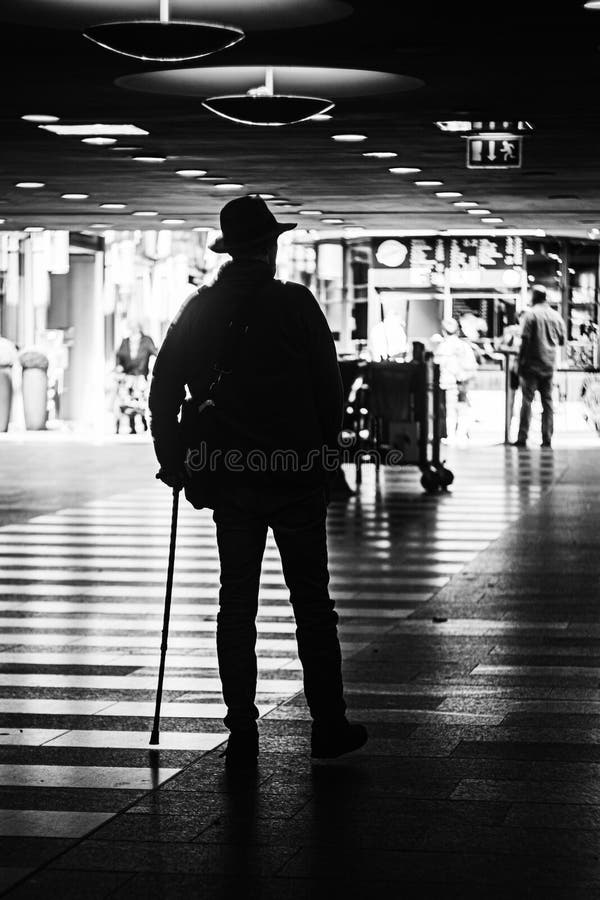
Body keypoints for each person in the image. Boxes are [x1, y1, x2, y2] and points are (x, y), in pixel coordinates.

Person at [149, 195, 367, 768]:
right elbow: (329, 387)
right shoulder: (297, 305)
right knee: (313, 606)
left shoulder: (198, 308)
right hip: (294, 477)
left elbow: (163, 387)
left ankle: (242, 726)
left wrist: (173, 458)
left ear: (228, 250)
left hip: (231, 481)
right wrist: (325, 458)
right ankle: (328, 724)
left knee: (236, 602)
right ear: (270, 248)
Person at [514, 285, 566, 449]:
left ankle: (522, 437)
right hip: (549, 366)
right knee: (548, 402)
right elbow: (563, 341)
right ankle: (547, 438)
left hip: (531, 365)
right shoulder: (556, 316)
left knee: (527, 401)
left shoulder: (530, 315)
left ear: (534, 297)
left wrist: (520, 363)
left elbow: (525, 341)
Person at [115, 321, 157, 433]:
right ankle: (132, 425)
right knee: (127, 401)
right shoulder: (125, 341)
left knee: (139, 402)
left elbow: (155, 352)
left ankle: (143, 424)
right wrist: (119, 367)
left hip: (140, 376)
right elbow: (119, 356)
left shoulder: (146, 341)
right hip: (128, 376)